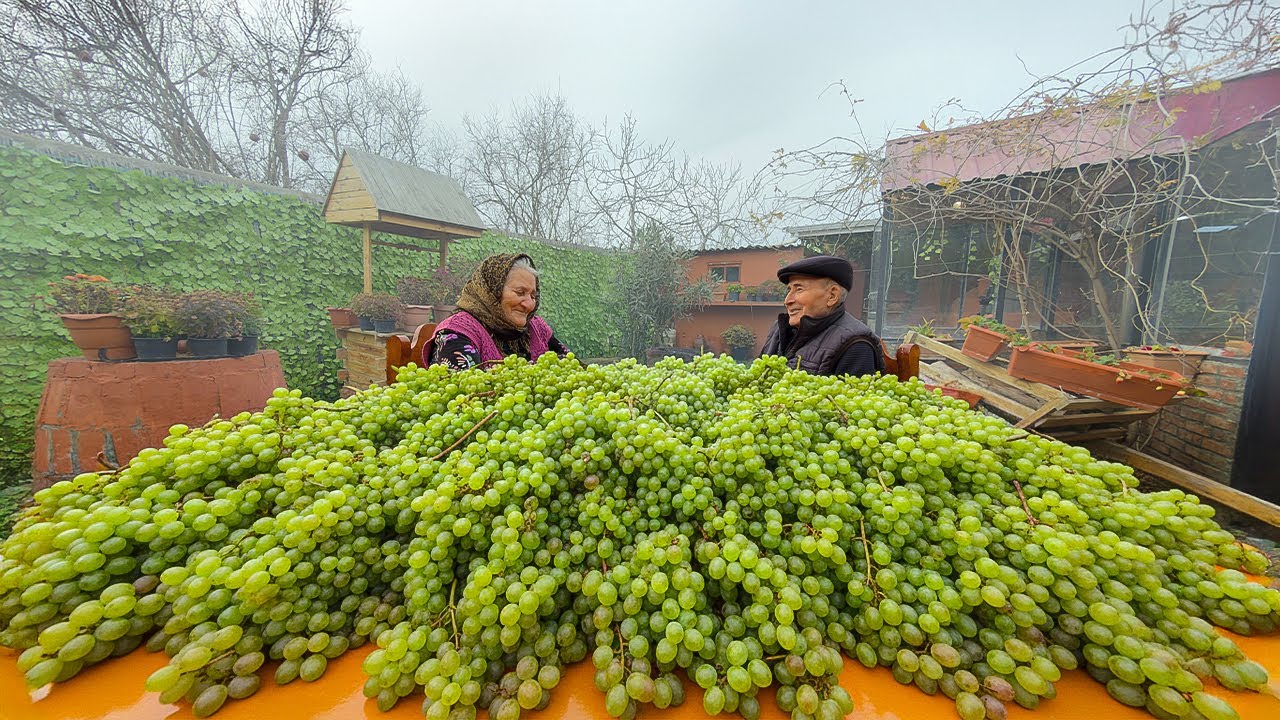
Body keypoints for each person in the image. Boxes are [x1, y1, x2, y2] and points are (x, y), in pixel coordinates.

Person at [424, 253, 569, 370]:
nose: (530, 304)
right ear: (490, 291)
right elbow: (463, 397)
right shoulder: (457, 332)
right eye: (520, 292)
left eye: (533, 296)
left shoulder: (536, 328)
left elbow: (573, 367)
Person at [758, 255, 885, 377]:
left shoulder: (856, 345)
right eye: (789, 290)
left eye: (799, 289)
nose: (787, 300)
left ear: (832, 296)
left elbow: (849, 398)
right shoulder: (779, 329)